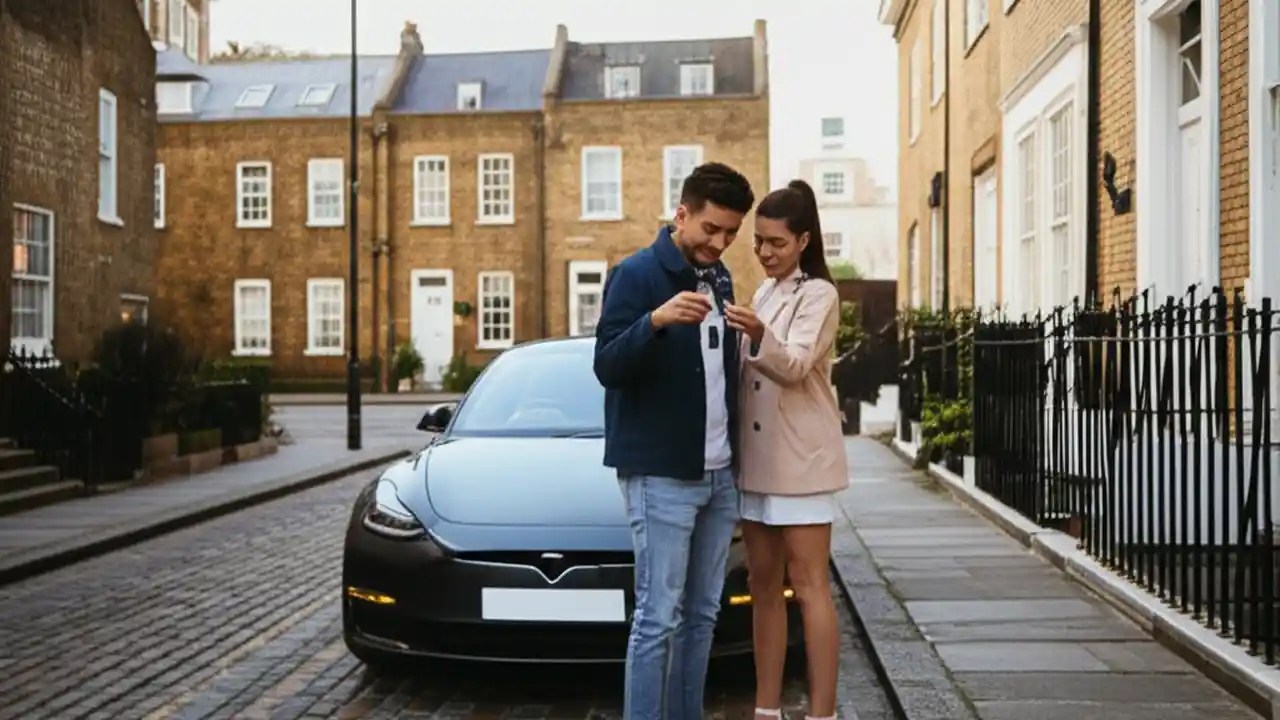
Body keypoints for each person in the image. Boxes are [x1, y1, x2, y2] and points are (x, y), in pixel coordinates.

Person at [593, 162, 756, 720]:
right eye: (711, 229)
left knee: (704, 614)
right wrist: (655, 322)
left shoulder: (721, 277)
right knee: (658, 617)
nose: (721, 243)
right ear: (681, 214)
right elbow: (607, 366)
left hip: (719, 475)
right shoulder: (635, 274)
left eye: (731, 233)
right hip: (661, 475)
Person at [723, 179, 849, 720]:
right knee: (762, 585)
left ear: (802, 240)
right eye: (759, 241)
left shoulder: (819, 294)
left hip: (800, 460)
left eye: (776, 242)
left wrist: (755, 333)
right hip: (757, 460)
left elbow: (794, 365)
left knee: (810, 584)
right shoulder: (764, 294)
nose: (765, 252)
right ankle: (766, 709)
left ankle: (822, 713)